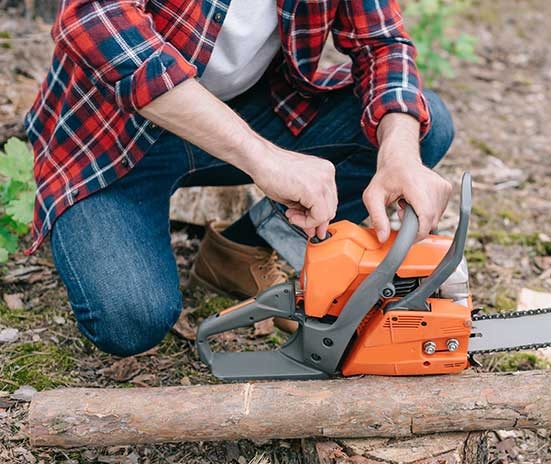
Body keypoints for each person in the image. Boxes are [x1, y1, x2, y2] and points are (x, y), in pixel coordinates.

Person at [23, 0, 455, 357]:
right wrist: (264, 158)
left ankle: (241, 251)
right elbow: (94, 19)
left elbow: (381, 43)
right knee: (130, 318)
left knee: (420, 124)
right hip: (109, 136)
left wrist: (399, 151)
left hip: (247, 112)